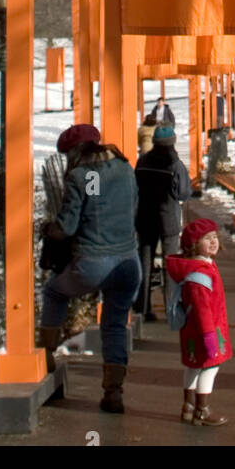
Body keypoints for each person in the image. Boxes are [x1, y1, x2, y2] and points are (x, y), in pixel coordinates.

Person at [39, 124, 141, 414]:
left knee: (54, 293)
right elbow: (133, 207)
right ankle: (113, 391)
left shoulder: (79, 176)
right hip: (128, 263)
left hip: (92, 264)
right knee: (114, 325)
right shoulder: (124, 168)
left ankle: (46, 357)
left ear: (74, 153)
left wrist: (48, 228)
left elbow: (67, 227)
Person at [166, 218, 233, 426]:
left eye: (215, 237)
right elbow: (203, 309)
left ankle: (188, 406)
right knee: (210, 367)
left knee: (193, 366)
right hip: (207, 330)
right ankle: (202, 410)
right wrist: (210, 336)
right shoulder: (200, 274)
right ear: (194, 245)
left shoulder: (197, 267)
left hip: (191, 331)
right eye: (207, 239)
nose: (213, 242)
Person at [135, 124, 192, 320]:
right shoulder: (175, 165)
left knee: (144, 262)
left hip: (144, 218)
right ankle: (171, 308)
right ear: (172, 142)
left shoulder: (142, 161)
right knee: (171, 263)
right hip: (168, 219)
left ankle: (142, 307)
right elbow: (183, 192)